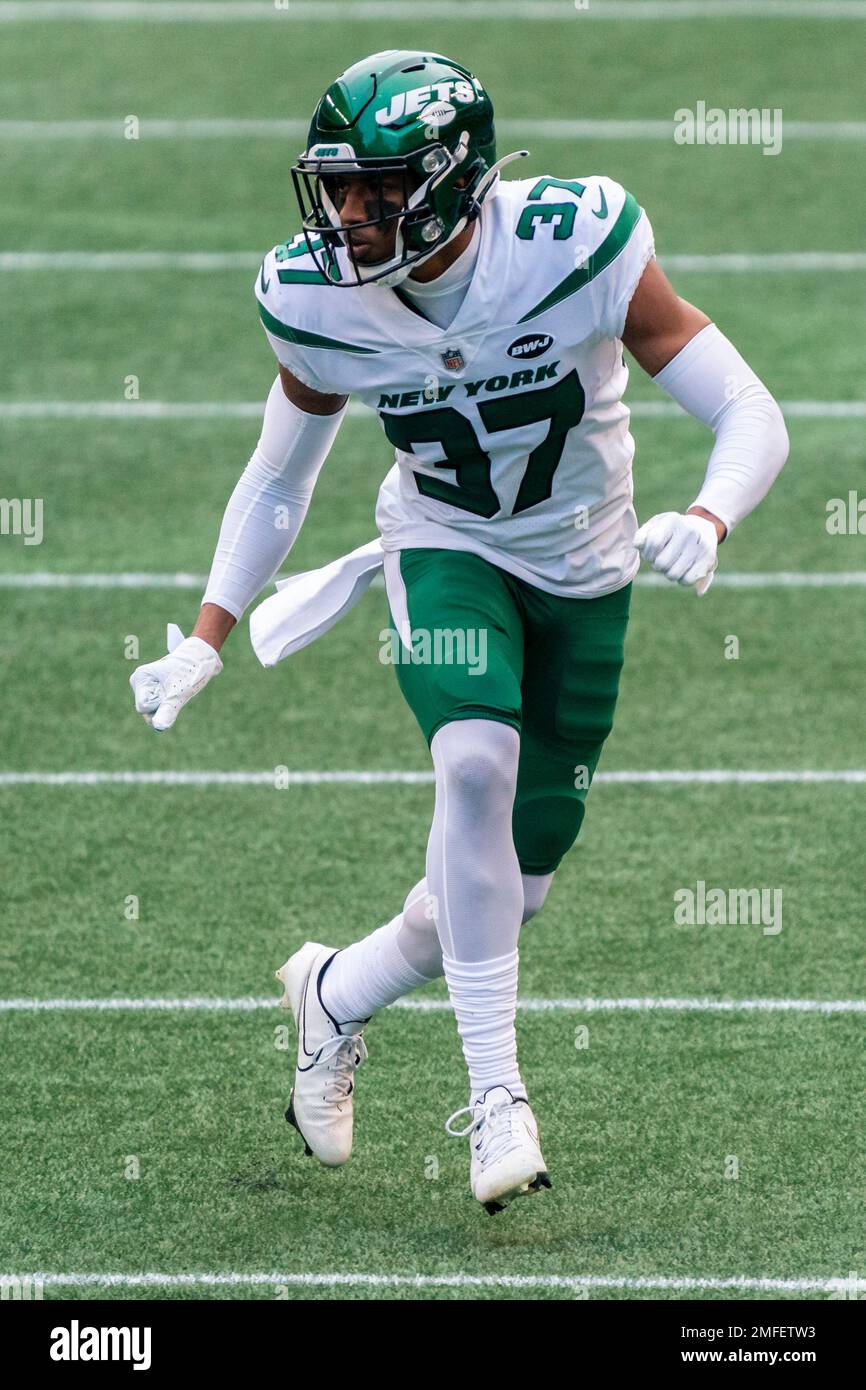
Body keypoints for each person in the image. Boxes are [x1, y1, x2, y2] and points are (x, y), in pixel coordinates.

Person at [130, 50, 788, 1215]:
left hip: (585, 569)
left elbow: (744, 408)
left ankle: (334, 991)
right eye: (334, 187)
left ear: (447, 180)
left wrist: (709, 512)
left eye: (372, 188)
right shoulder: (316, 296)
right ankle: (498, 1097)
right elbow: (278, 478)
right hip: (445, 548)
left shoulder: (574, 243)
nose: (344, 212)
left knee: (507, 888)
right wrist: (206, 634)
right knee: (472, 766)